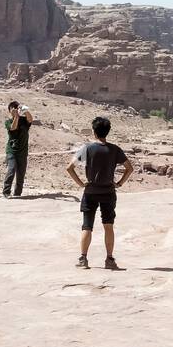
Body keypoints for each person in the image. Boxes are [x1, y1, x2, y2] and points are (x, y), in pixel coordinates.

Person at [66, 116, 132, 270]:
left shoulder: (87, 148)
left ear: (94, 131)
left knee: (87, 226)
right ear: (107, 132)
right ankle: (109, 259)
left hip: (90, 192)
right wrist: (119, 183)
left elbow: (70, 167)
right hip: (108, 192)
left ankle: (83, 259)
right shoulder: (115, 149)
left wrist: (82, 183)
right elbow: (130, 168)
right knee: (108, 226)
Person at [3, 99, 34, 198]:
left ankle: (17, 193)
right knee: (11, 170)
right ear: (10, 111)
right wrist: (16, 116)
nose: (15, 110)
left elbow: (30, 120)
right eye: (13, 109)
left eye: (16, 108)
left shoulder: (24, 121)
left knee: (21, 174)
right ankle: (6, 192)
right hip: (12, 151)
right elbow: (13, 128)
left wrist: (25, 110)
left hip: (23, 152)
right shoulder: (8, 122)